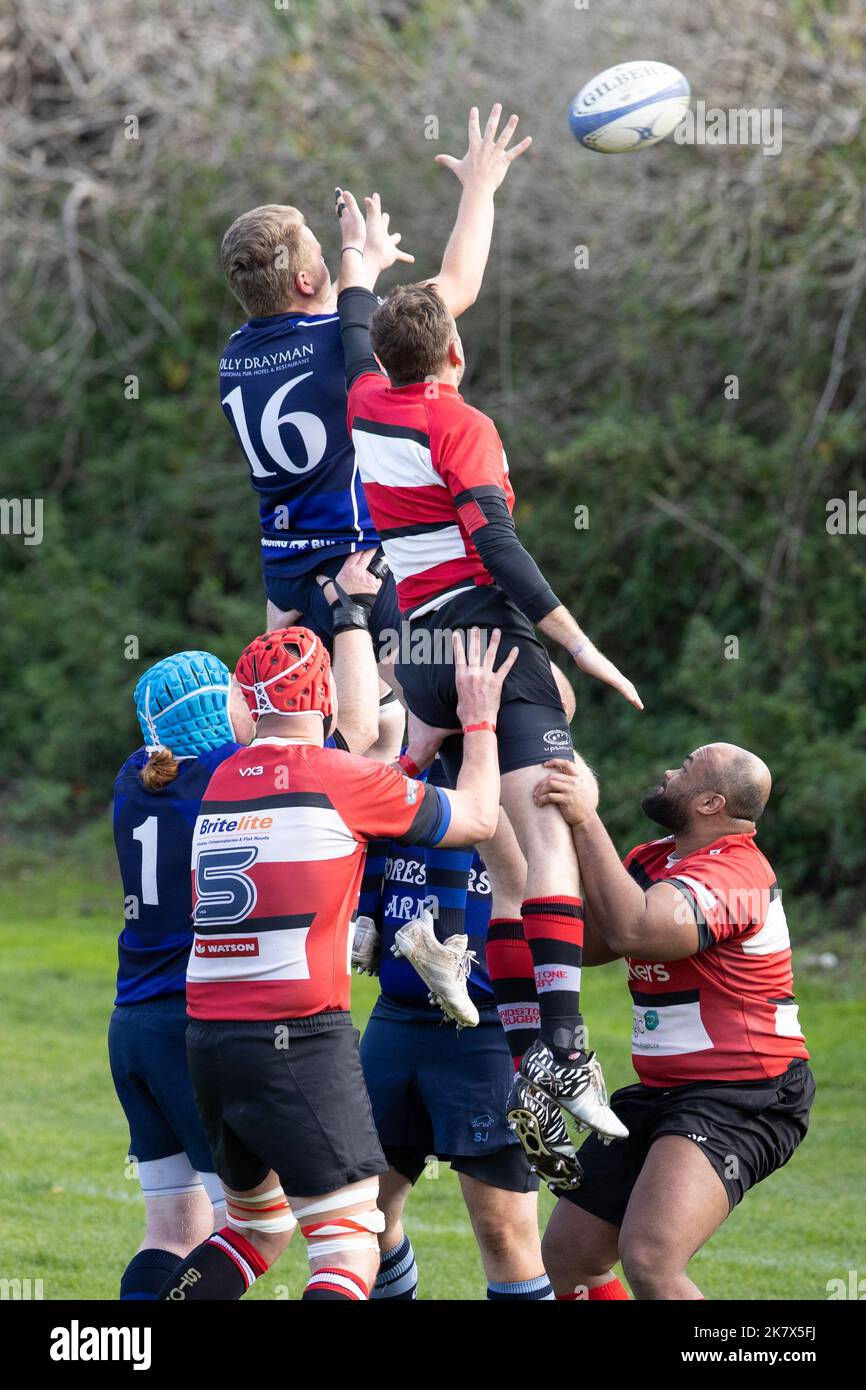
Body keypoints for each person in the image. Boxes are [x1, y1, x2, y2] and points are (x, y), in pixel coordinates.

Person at [334, 193, 643, 1184]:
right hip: (484, 641)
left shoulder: (362, 397)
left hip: (419, 644)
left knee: (498, 867)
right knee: (545, 832)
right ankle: (563, 1045)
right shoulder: (456, 423)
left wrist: (367, 257)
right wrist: (579, 646)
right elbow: (499, 547)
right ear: (452, 356)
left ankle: (483, 1003)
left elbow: (355, 317)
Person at [160, 624, 516, 1301]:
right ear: (323, 693)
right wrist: (481, 724)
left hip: (208, 1038)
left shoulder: (224, 779)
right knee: (350, 1244)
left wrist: (407, 761)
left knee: (254, 1231)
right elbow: (475, 818)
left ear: (245, 701)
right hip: (297, 1037)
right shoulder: (338, 777)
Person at [217, 103, 531, 655]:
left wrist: (366, 270)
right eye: (323, 251)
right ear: (311, 280)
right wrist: (480, 187)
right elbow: (460, 283)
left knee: (335, 730)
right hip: (359, 570)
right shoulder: (339, 343)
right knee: (448, 712)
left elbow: (323, 318)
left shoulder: (235, 355)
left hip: (288, 576)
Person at [534, 743, 815, 1300]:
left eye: (685, 769)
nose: (668, 771)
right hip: (665, 1090)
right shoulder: (654, 858)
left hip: (745, 1093)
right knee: (570, 1255)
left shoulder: (737, 872)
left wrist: (586, 818)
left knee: (652, 1258)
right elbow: (595, 942)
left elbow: (637, 932)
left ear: (711, 802)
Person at [357, 761, 554, 1301]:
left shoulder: (530, 786)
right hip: (396, 1018)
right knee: (362, 1216)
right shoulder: (409, 767)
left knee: (502, 1229)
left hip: (489, 1028)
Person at [110, 650, 253, 1299]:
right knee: (243, 1225)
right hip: (186, 1021)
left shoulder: (133, 777)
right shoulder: (227, 777)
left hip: (132, 1025)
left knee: (171, 1225)